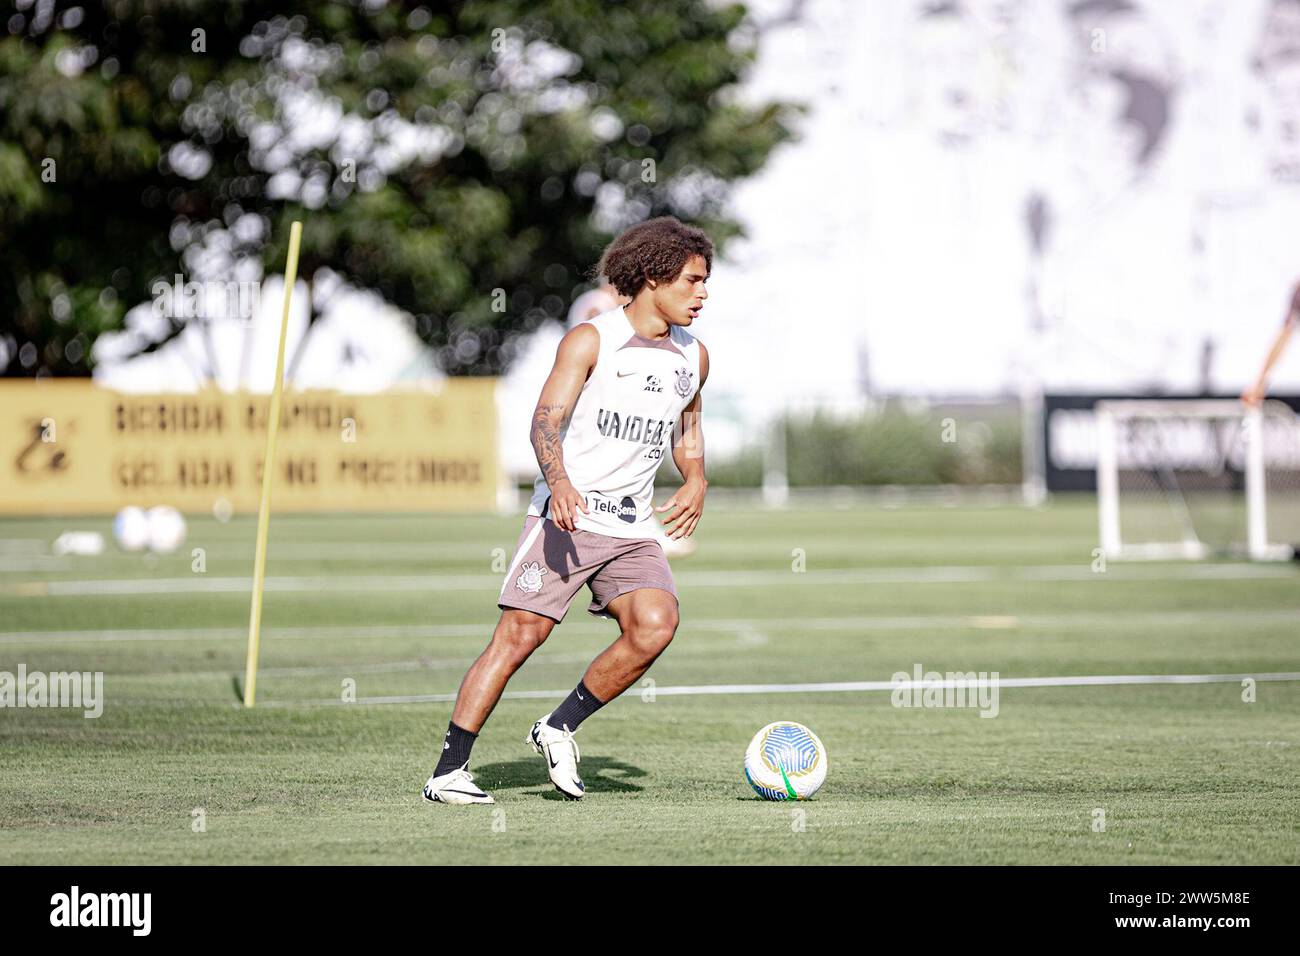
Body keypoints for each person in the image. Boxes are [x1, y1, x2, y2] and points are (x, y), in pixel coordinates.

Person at [422, 216, 712, 803]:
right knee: (519, 637)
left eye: (707, 283)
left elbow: (688, 430)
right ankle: (448, 771)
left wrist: (697, 478)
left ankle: (558, 726)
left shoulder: (694, 358)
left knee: (655, 626)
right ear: (653, 277)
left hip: (631, 528)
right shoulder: (590, 340)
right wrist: (558, 484)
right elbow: (545, 421)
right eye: (692, 281)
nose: (702, 294)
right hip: (568, 518)